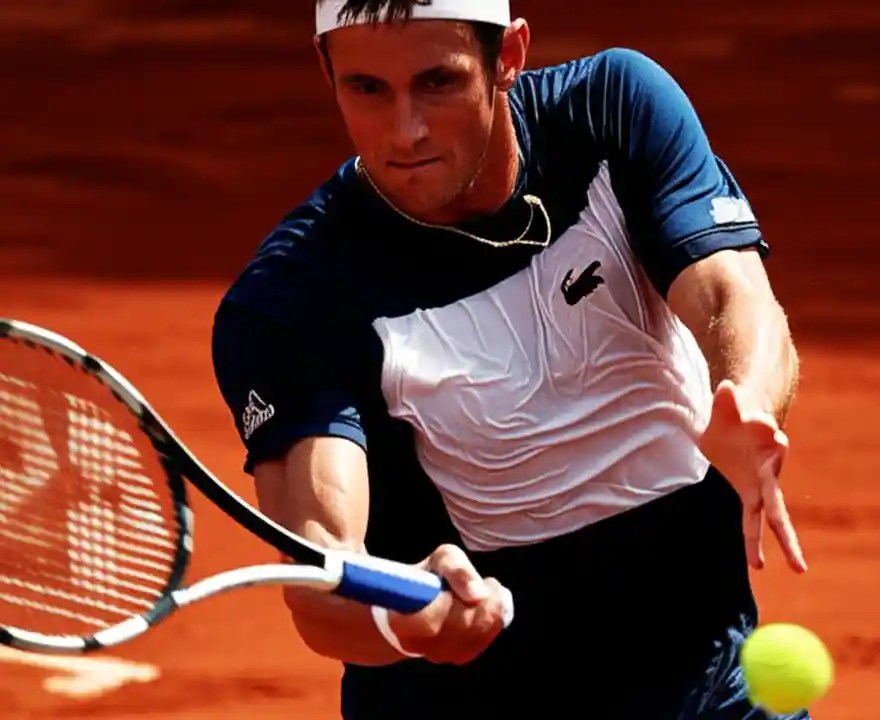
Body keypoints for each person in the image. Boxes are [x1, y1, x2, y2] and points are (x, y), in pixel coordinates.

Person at [210, 1, 808, 717]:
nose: (406, 132)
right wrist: (397, 619)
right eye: (367, 88)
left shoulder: (613, 114)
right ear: (326, 69)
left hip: (708, 688)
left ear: (510, 57)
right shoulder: (292, 299)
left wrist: (746, 395)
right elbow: (323, 570)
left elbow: (731, 292)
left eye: (439, 82)